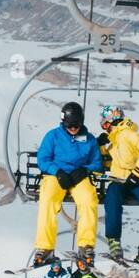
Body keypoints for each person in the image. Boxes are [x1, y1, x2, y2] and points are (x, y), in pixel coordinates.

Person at [33, 101, 103, 266]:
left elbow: (97, 163)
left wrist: (85, 170)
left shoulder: (89, 139)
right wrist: (56, 171)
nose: (73, 129)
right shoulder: (53, 136)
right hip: (56, 176)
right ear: (63, 123)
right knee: (48, 200)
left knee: (89, 201)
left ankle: (86, 246)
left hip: (79, 177)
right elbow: (43, 159)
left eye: (76, 125)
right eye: (70, 125)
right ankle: (45, 248)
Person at [97, 103, 139, 266]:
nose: (104, 126)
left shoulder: (127, 134)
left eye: (105, 123)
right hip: (119, 180)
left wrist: (136, 173)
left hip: (136, 180)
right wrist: (100, 146)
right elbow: (103, 163)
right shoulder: (114, 140)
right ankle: (115, 242)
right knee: (112, 198)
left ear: (110, 121)